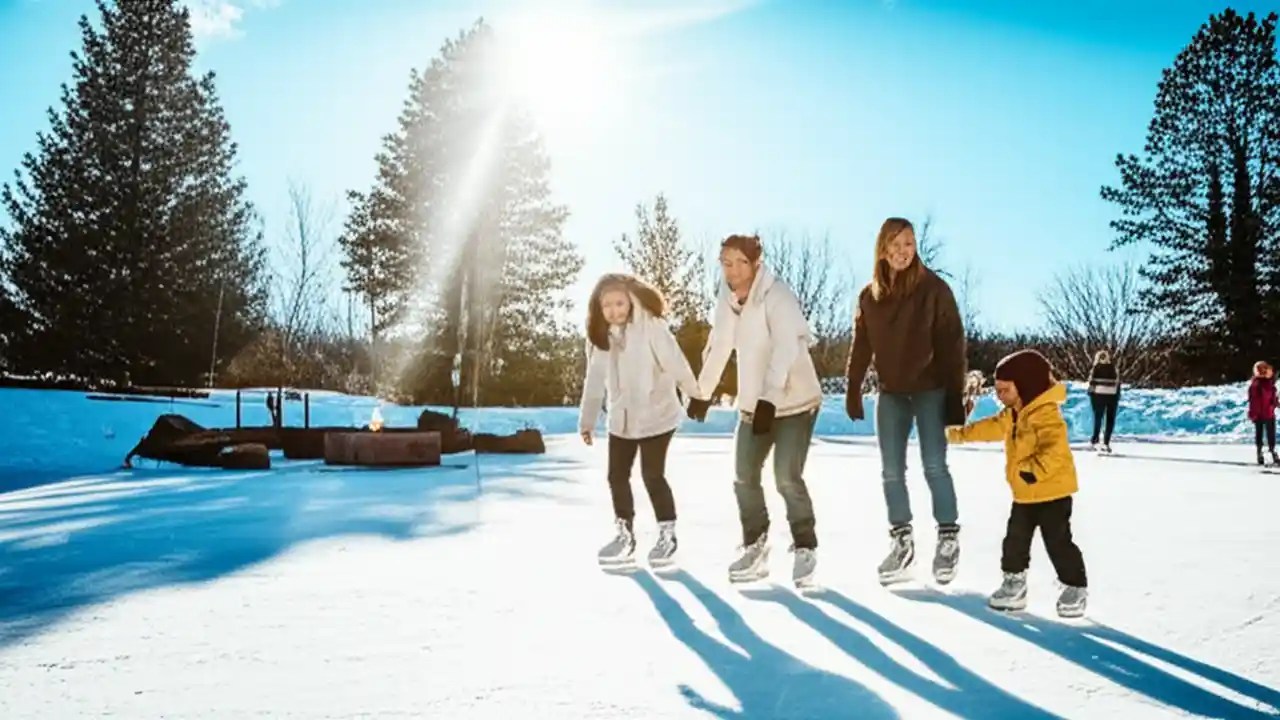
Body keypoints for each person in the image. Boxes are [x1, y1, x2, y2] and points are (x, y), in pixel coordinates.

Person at [687, 234, 824, 588]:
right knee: (744, 476)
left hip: (795, 401)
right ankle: (755, 546)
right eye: (726, 263)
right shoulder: (727, 296)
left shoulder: (777, 295)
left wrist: (770, 398)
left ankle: (805, 547)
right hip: (752, 403)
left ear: (755, 263)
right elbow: (719, 344)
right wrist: (703, 391)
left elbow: (786, 348)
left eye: (740, 262)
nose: (732, 271)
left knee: (786, 477)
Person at [845, 217, 968, 586]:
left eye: (909, 244)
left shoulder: (934, 289)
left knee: (934, 464)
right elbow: (862, 344)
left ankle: (947, 538)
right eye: (895, 245)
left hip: (930, 389)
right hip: (891, 392)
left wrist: (954, 395)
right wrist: (853, 387)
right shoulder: (871, 297)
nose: (903, 252)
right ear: (882, 249)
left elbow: (952, 344)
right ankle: (902, 542)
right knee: (891, 471)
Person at [946, 349, 1089, 618]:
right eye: (998, 390)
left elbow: (1056, 452)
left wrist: (1032, 471)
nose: (1000, 396)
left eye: (1005, 390)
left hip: (1053, 494)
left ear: (1025, 386)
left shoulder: (1045, 414)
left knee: (1058, 542)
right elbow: (988, 428)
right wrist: (956, 435)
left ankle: (1075, 587)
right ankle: (1014, 584)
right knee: (1014, 541)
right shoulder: (1012, 414)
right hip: (1024, 495)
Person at [579, 273, 706, 569]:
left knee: (652, 475)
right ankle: (625, 534)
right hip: (622, 418)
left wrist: (695, 394)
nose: (614, 311)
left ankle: (667, 534)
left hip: (657, 414)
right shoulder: (600, 337)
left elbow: (675, 361)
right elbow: (594, 381)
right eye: (606, 305)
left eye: (619, 303)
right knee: (616, 476)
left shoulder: (651, 327)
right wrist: (587, 420)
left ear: (631, 301)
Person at [1087, 350, 1121, 453]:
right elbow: (1118, 383)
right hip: (1112, 396)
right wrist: (1117, 395)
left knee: (1098, 418)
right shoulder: (1114, 368)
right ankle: (1106, 442)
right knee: (1110, 420)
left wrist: (1091, 394)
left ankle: (1095, 439)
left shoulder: (1095, 368)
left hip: (1098, 396)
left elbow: (1091, 383)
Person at [1248, 360, 1278, 467]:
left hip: (1268, 413)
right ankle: (1260, 452)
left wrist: (1276, 404)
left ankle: (1272, 451)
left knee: (1271, 434)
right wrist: (1253, 412)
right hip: (1260, 414)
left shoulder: (1270, 384)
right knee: (1260, 433)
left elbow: (1273, 397)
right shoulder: (1256, 385)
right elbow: (1253, 400)